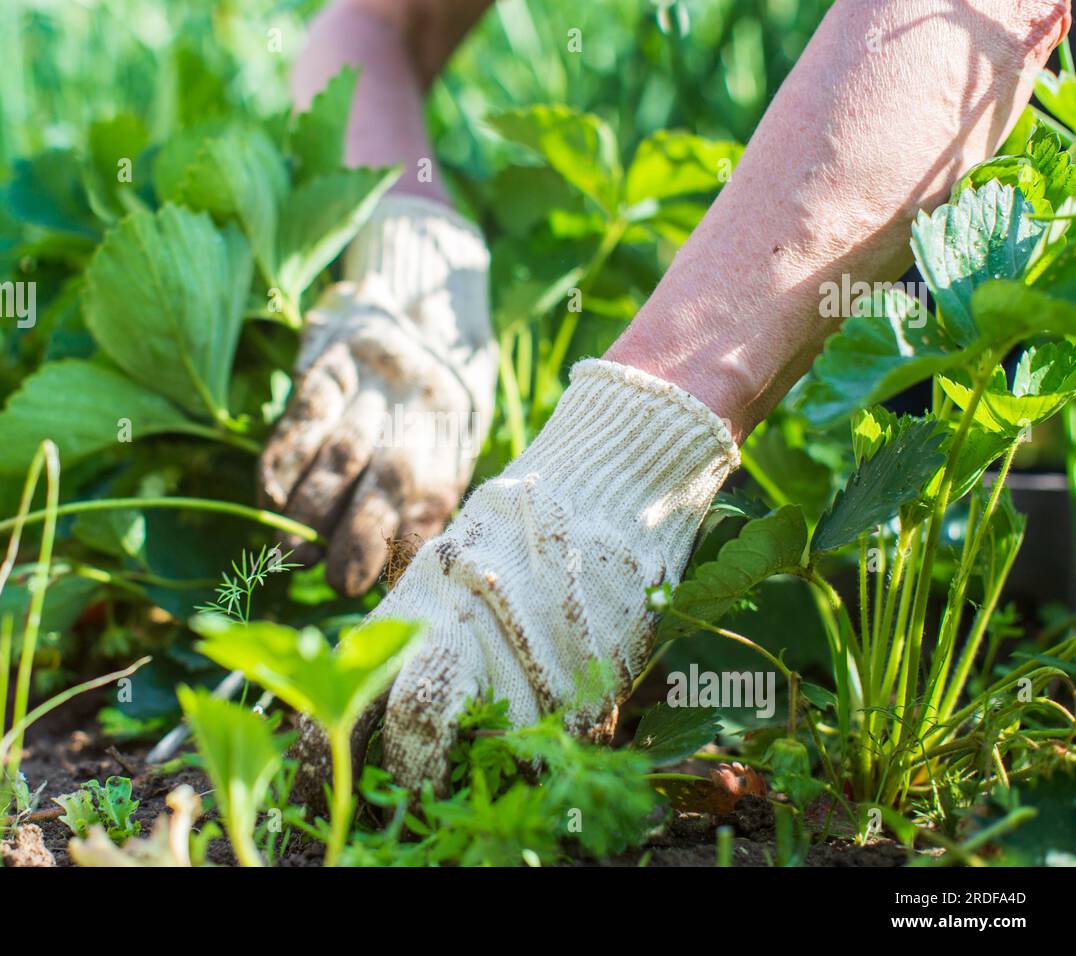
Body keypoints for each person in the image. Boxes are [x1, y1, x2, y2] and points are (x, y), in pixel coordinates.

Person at [261, 0, 1073, 793]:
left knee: (956, 440)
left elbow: (980, 13)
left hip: (997, 213)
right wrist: (414, 269)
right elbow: (371, 24)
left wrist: (625, 453)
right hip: (815, 289)